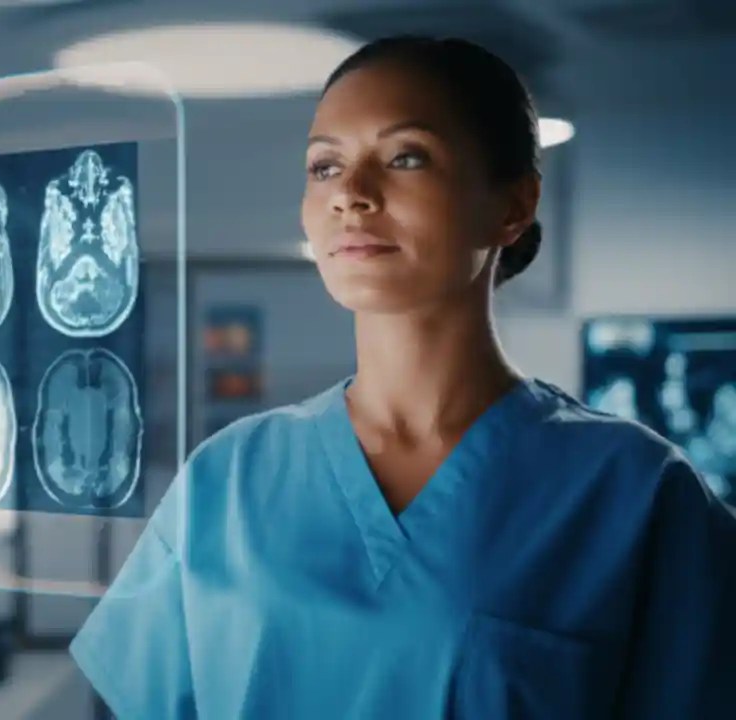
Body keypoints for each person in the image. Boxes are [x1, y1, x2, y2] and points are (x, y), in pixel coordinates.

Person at [68, 35, 735, 719]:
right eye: (324, 166)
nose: (351, 195)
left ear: (512, 205)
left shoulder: (634, 492)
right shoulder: (227, 479)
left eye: (405, 157)